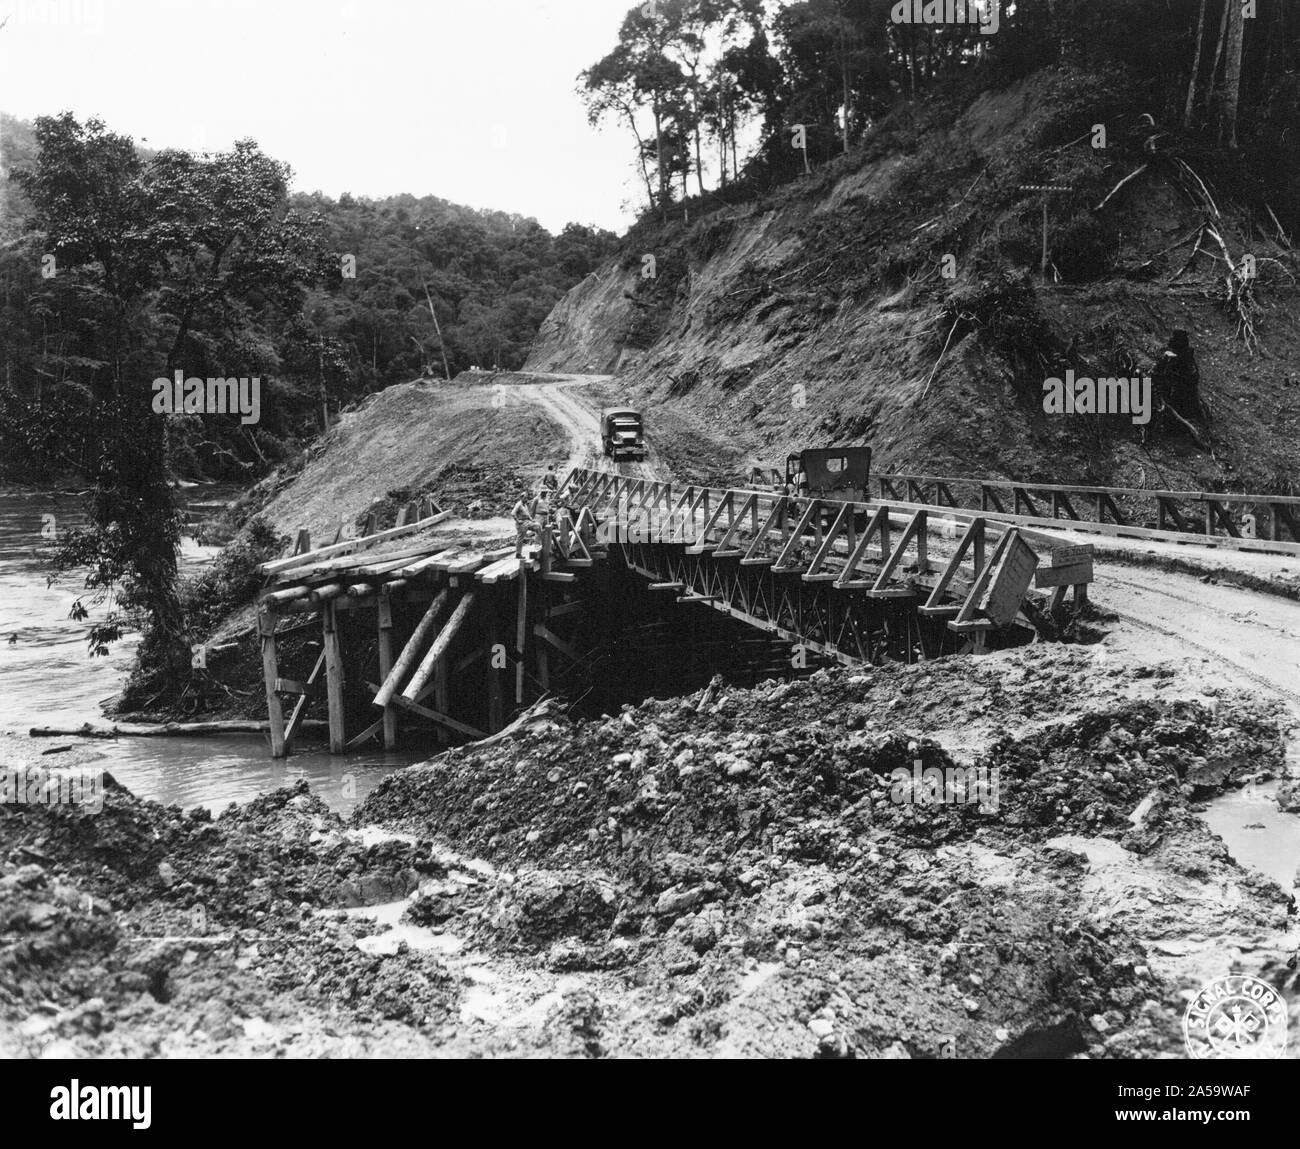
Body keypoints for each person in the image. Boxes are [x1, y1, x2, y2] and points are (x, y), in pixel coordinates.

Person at [512, 490, 540, 558]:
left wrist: (531, 520)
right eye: (525, 498)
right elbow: (513, 513)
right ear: (521, 498)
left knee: (538, 526)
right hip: (521, 523)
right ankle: (518, 554)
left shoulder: (525, 504)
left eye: (527, 498)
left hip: (527, 522)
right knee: (520, 538)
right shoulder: (519, 504)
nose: (526, 499)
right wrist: (518, 521)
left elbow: (527, 514)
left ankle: (539, 544)